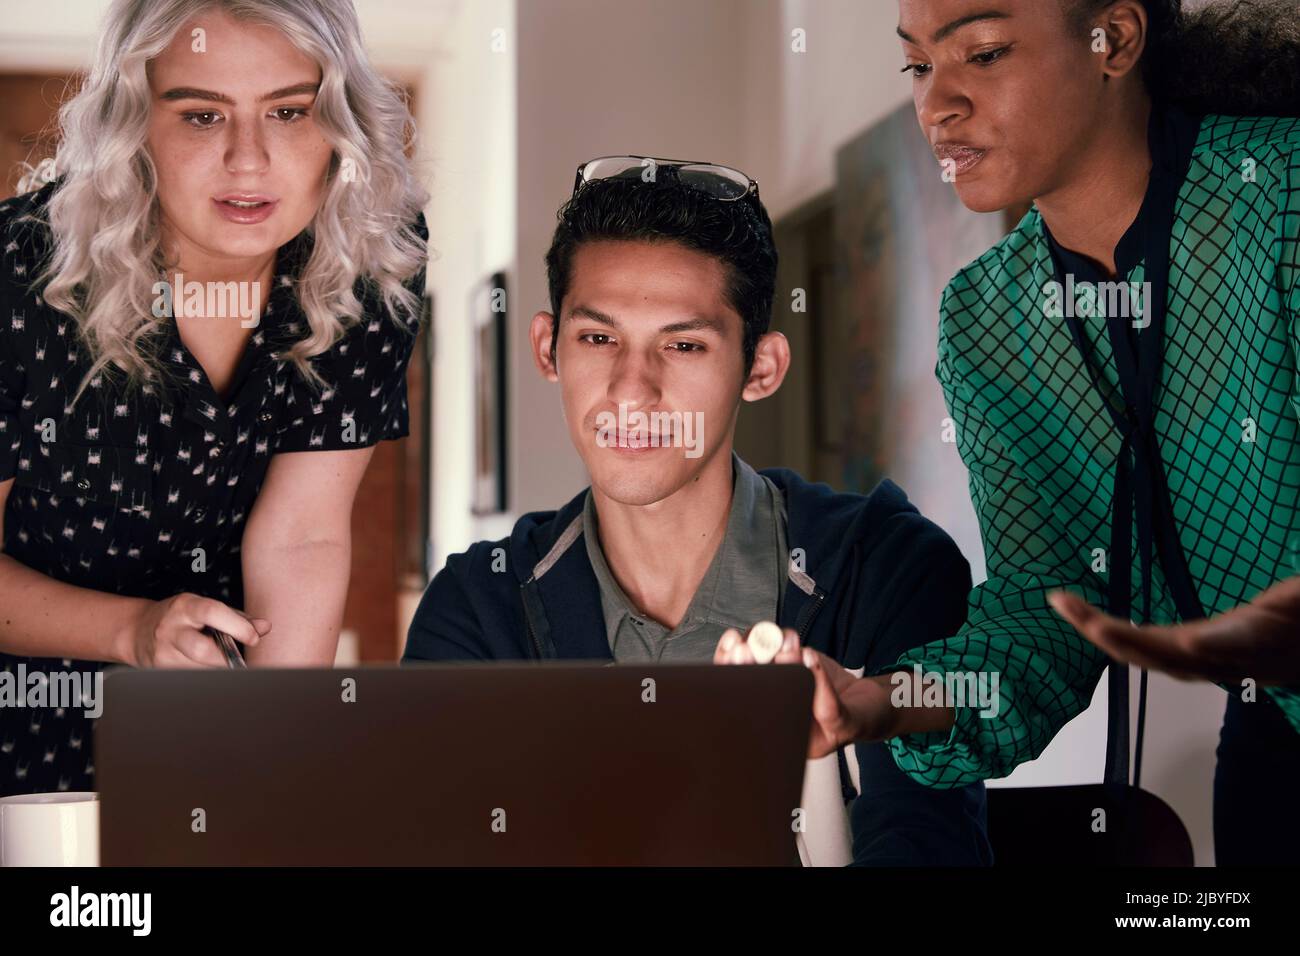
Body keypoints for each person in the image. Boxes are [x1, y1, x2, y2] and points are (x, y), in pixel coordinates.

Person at [787, 0, 1300, 865]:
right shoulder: (986, 319)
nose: (936, 104)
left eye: (981, 54)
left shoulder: (1280, 198)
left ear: (1116, 42)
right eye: (919, 67)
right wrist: (879, 701)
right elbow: (1047, 614)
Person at [404, 156, 992, 866]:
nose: (631, 389)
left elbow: (924, 850)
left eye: (682, 345)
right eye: (597, 338)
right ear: (547, 348)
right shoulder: (478, 611)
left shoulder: (890, 571)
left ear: (761, 368)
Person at [0, 0, 428, 796]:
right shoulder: (16, 275)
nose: (248, 160)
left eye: (290, 112)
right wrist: (133, 629)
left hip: (222, 712)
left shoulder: (373, 261)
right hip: (22, 731)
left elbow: (303, 536)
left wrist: (267, 752)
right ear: (133, 125)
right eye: (202, 115)